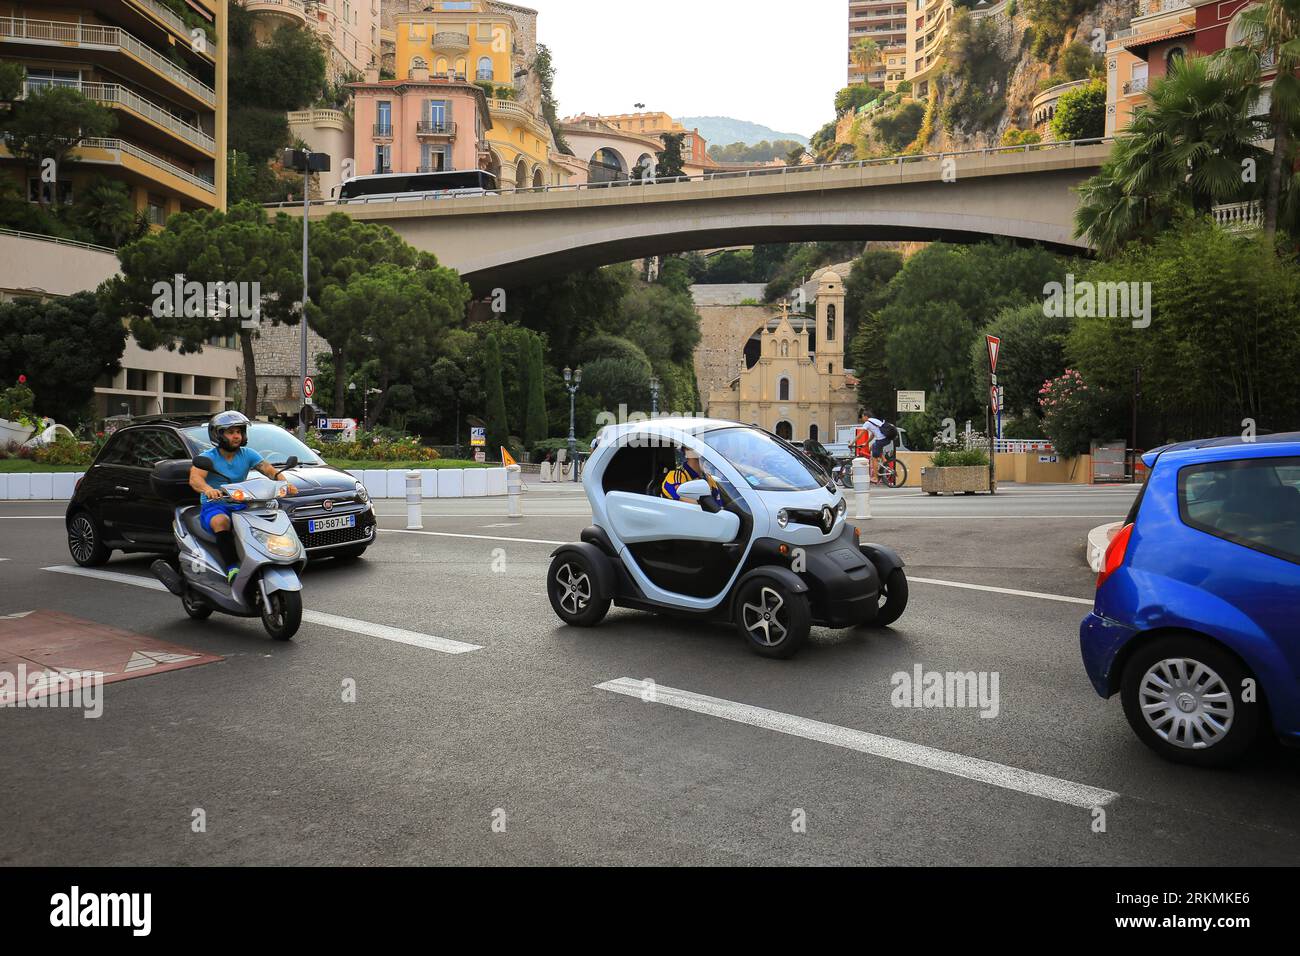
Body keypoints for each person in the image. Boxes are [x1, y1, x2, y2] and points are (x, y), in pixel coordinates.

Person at [188, 411, 298, 582]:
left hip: (242, 503)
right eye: (231, 432)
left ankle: (267, 558)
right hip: (216, 504)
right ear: (219, 435)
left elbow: (269, 470)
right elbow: (195, 479)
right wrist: (208, 489)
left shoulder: (248, 454)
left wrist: (285, 483)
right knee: (221, 522)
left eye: (239, 432)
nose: (236, 436)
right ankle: (232, 568)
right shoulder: (207, 457)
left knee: (267, 519)